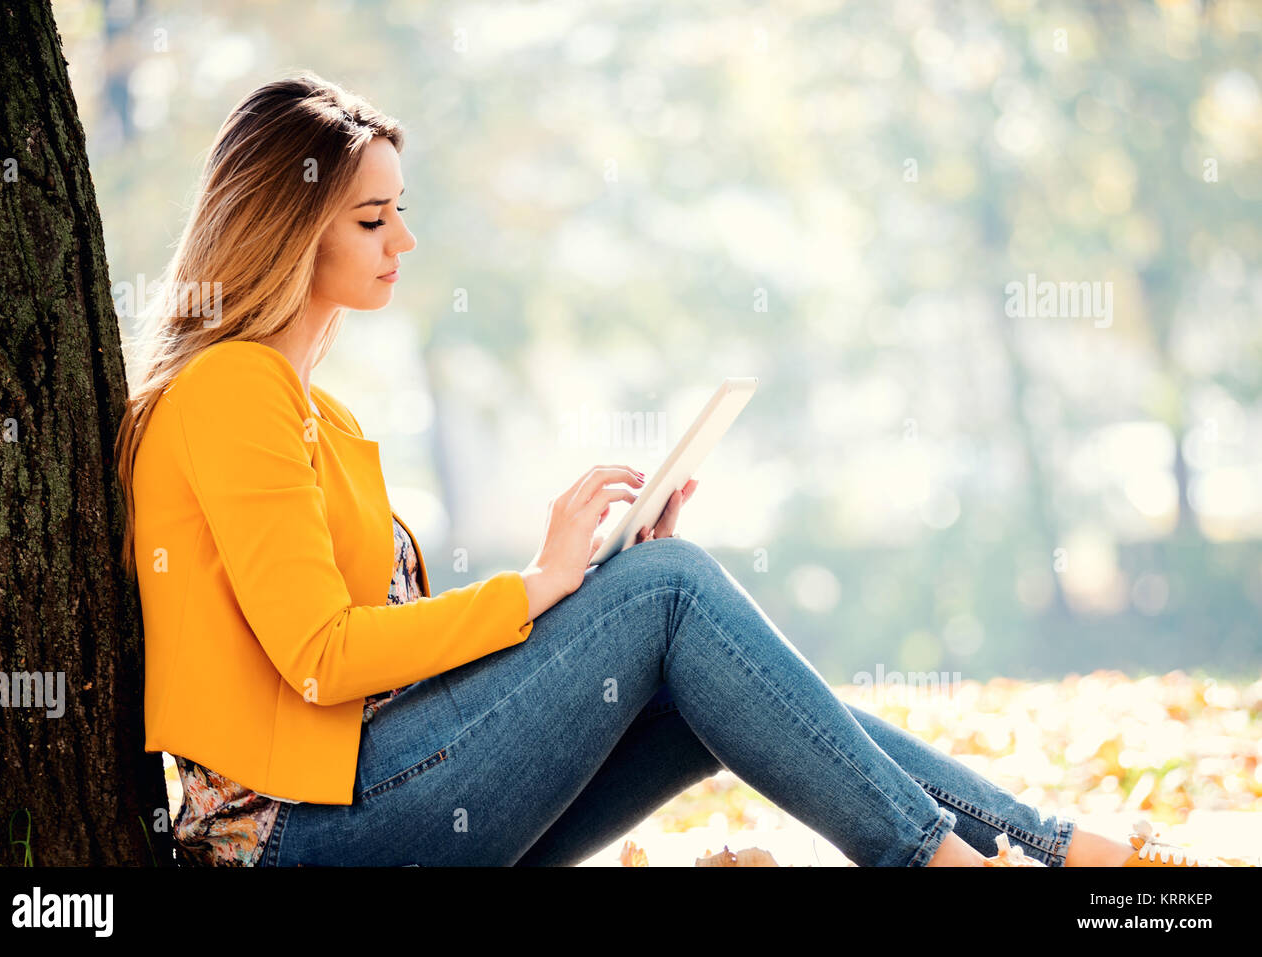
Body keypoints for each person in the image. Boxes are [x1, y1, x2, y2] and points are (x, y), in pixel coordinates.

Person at [114, 72, 1247, 868]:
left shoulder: (315, 410)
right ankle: (955, 864)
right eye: (371, 219)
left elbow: (382, 666)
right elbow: (317, 661)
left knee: (690, 662)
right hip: (293, 841)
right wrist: (547, 589)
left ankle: (1043, 849)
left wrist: (581, 585)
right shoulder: (232, 390)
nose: (403, 243)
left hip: (379, 799)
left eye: (399, 212)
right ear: (285, 226)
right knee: (667, 593)